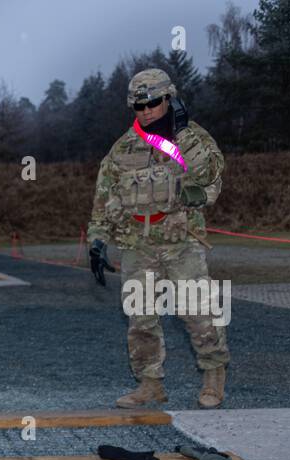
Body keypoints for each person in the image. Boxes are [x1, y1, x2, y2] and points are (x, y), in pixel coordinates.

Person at [87, 68, 230, 409]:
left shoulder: (190, 137)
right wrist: (97, 239)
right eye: (139, 106)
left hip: (182, 239)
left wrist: (182, 135)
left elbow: (211, 174)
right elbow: (104, 197)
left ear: (170, 98)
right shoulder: (122, 148)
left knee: (197, 310)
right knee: (140, 317)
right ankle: (150, 384)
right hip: (138, 243)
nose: (146, 110)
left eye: (153, 102)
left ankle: (213, 377)